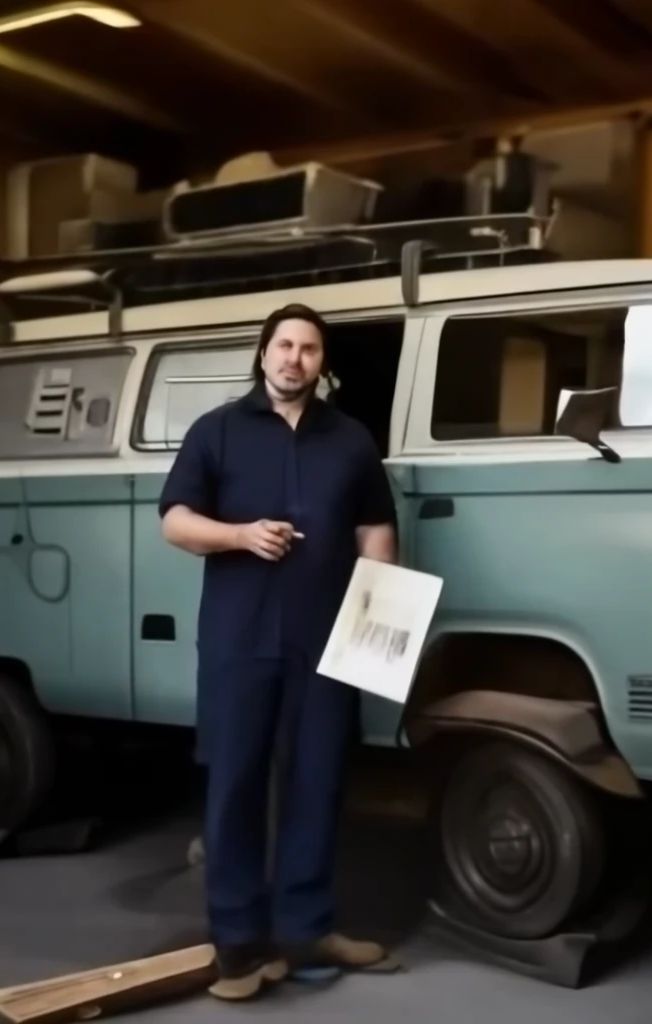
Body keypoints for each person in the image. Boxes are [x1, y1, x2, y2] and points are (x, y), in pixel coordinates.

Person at [159, 303, 398, 1000]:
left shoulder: (350, 439)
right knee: (235, 783)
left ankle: (305, 932)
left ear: (322, 362)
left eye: (309, 349)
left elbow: (375, 530)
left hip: (328, 640)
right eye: (284, 345)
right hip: (238, 640)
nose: (295, 359)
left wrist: (378, 627)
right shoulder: (217, 431)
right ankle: (238, 946)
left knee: (317, 782)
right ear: (264, 353)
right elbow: (176, 521)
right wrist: (239, 536)